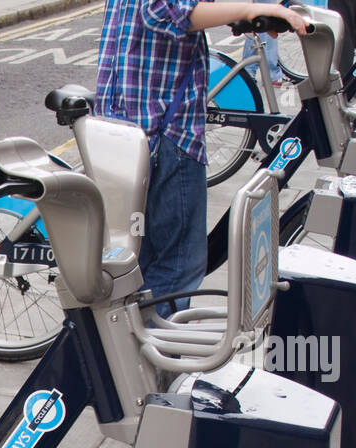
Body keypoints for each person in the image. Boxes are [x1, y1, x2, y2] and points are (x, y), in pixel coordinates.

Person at [95, 1, 309, 310]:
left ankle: (128, 349)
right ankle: (154, 354)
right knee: (179, 264)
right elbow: (181, 12)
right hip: (164, 131)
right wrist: (247, 11)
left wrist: (244, 11)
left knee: (141, 259)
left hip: (127, 130)